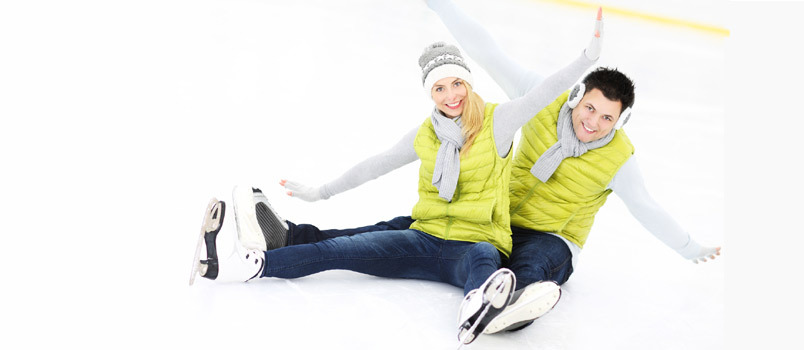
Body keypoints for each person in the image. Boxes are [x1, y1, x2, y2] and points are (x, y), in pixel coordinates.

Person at [234, 0, 721, 335]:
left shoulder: (620, 157)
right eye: (589, 108)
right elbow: (488, 50)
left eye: (607, 118)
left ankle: (513, 301)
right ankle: (290, 238)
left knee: (534, 263)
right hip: (488, 220)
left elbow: (646, 207)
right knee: (394, 231)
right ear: (577, 96)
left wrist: (688, 247)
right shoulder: (538, 101)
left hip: (551, 237)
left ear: (621, 121)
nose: (593, 123)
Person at [190, 10, 604, 344]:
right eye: (439, 89)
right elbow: (375, 164)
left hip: (477, 243)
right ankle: (246, 265)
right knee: (341, 250)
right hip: (422, 238)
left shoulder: (497, 121)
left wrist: (588, 57)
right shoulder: (426, 135)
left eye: (457, 83)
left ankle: (476, 307)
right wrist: (320, 191)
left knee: (483, 260)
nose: (451, 96)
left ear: (469, 83)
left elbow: (543, 93)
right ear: (430, 94)